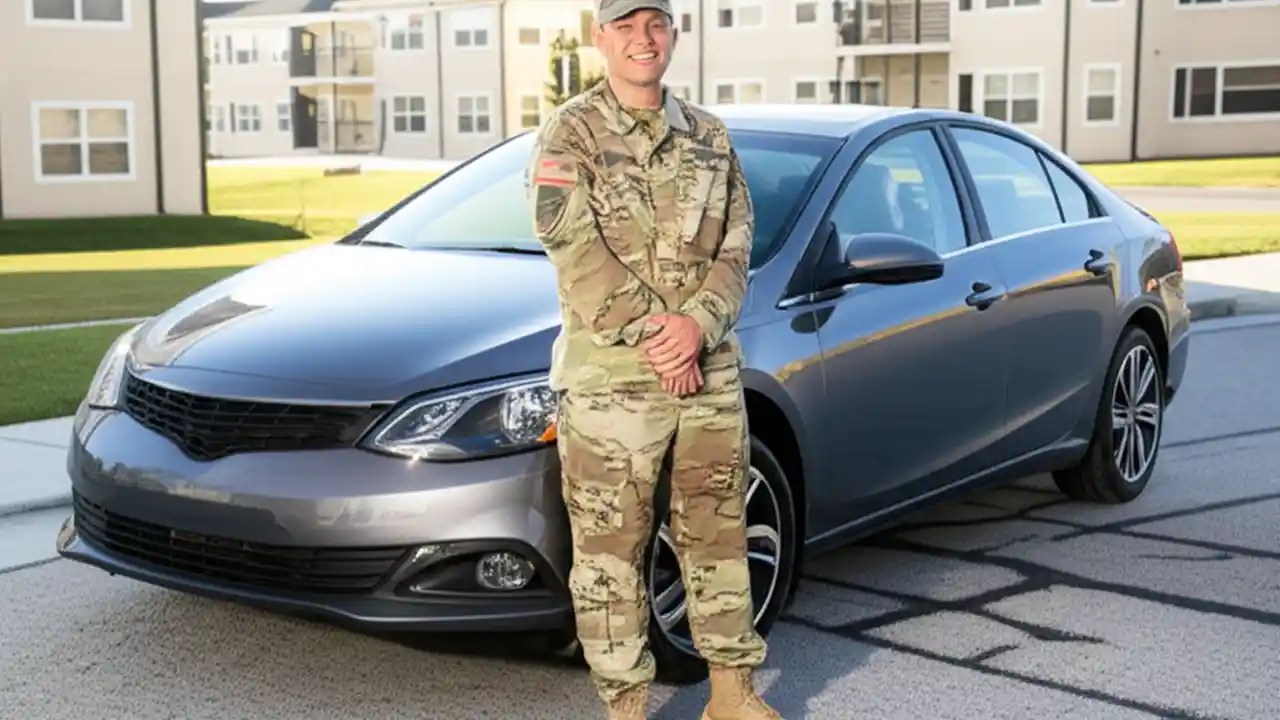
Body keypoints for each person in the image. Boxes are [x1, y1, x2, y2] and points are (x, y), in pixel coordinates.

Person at [525, 1, 781, 719]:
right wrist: (659, 337)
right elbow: (575, 253)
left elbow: (737, 247)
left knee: (719, 533)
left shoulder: (709, 135)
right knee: (611, 554)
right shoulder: (569, 133)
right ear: (598, 35)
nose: (644, 39)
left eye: (656, 24)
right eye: (626, 25)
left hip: (706, 373)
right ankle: (627, 709)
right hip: (613, 383)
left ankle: (733, 697)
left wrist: (695, 328)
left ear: (673, 32)